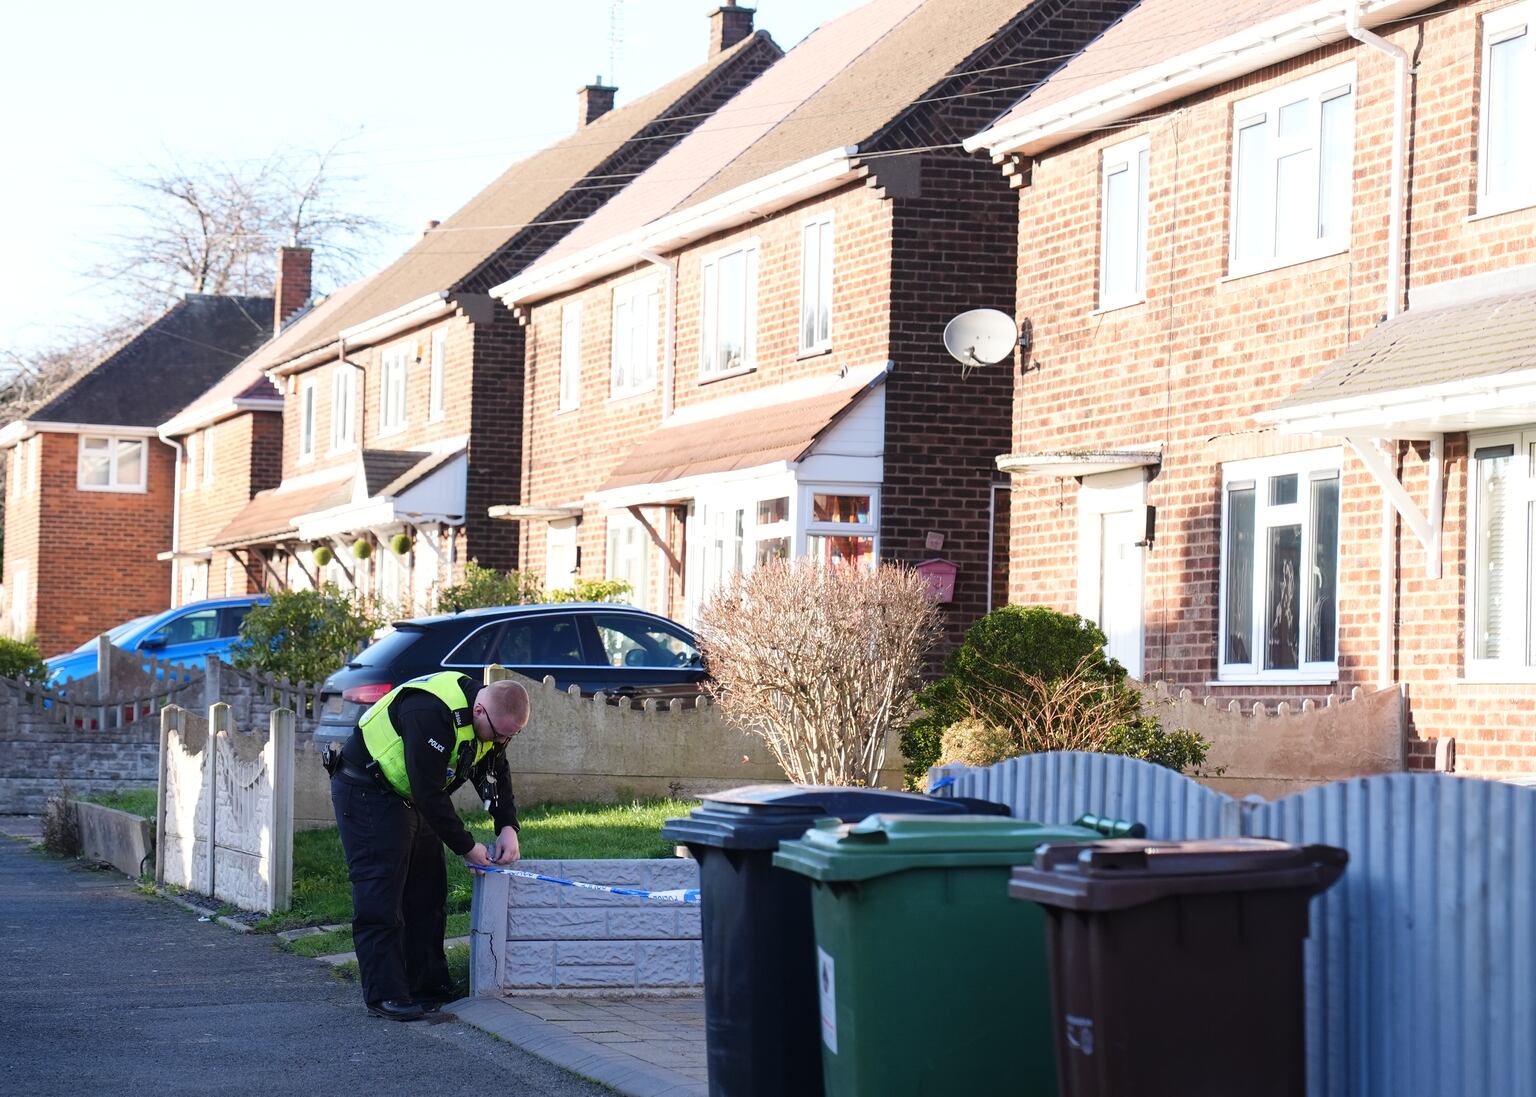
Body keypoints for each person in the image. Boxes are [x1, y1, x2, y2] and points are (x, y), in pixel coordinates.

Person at [325, 671, 529, 1021]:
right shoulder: (430, 711)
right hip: (367, 791)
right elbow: (428, 792)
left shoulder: (491, 726)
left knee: (427, 894)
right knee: (382, 892)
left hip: (408, 796)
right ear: (479, 711)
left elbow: (495, 769)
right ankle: (386, 994)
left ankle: (428, 987)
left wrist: (507, 824)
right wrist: (467, 847)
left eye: (509, 737)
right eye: (498, 734)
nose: (499, 742)